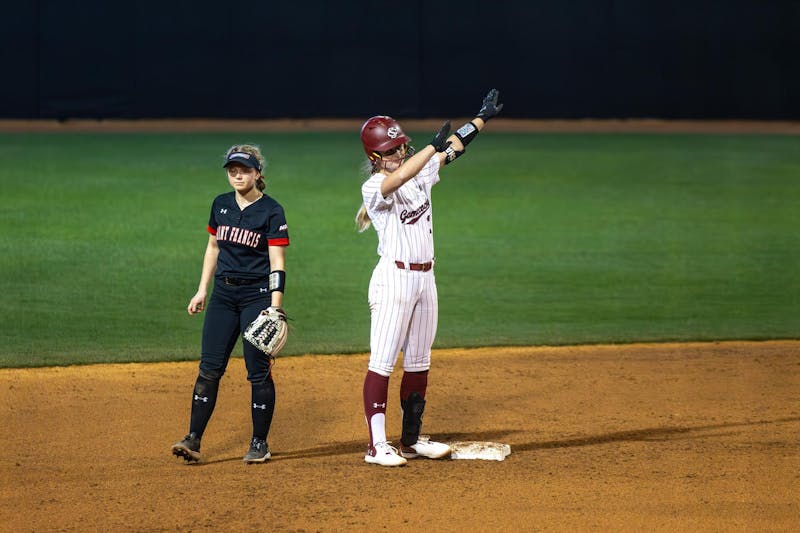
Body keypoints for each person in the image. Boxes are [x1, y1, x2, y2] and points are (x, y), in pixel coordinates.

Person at [355, 89, 503, 466]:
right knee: (383, 362)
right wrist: (426, 152)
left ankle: (409, 440)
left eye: (400, 147)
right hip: (394, 281)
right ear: (374, 157)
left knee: (419, 360)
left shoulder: (420, 169)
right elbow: (396, 179)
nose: (398, 154)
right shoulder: (373, 188)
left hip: (426, 280)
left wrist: (481, 118)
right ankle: (376, 446)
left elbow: (452, 147)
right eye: (389, 151)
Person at [171, 143, 290, 464]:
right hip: (223, 297)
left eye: (244, 170)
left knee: (258, 374)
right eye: (233, 170)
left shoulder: (272, 211)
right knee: (209, 370)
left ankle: (259, 443)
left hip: (256, 298)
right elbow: (212, 247)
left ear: (257, 173)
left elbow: (277, 262)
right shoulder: (220, 205)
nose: (238, 175)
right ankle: (193, 439)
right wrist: (201, 290)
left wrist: (275, 306)